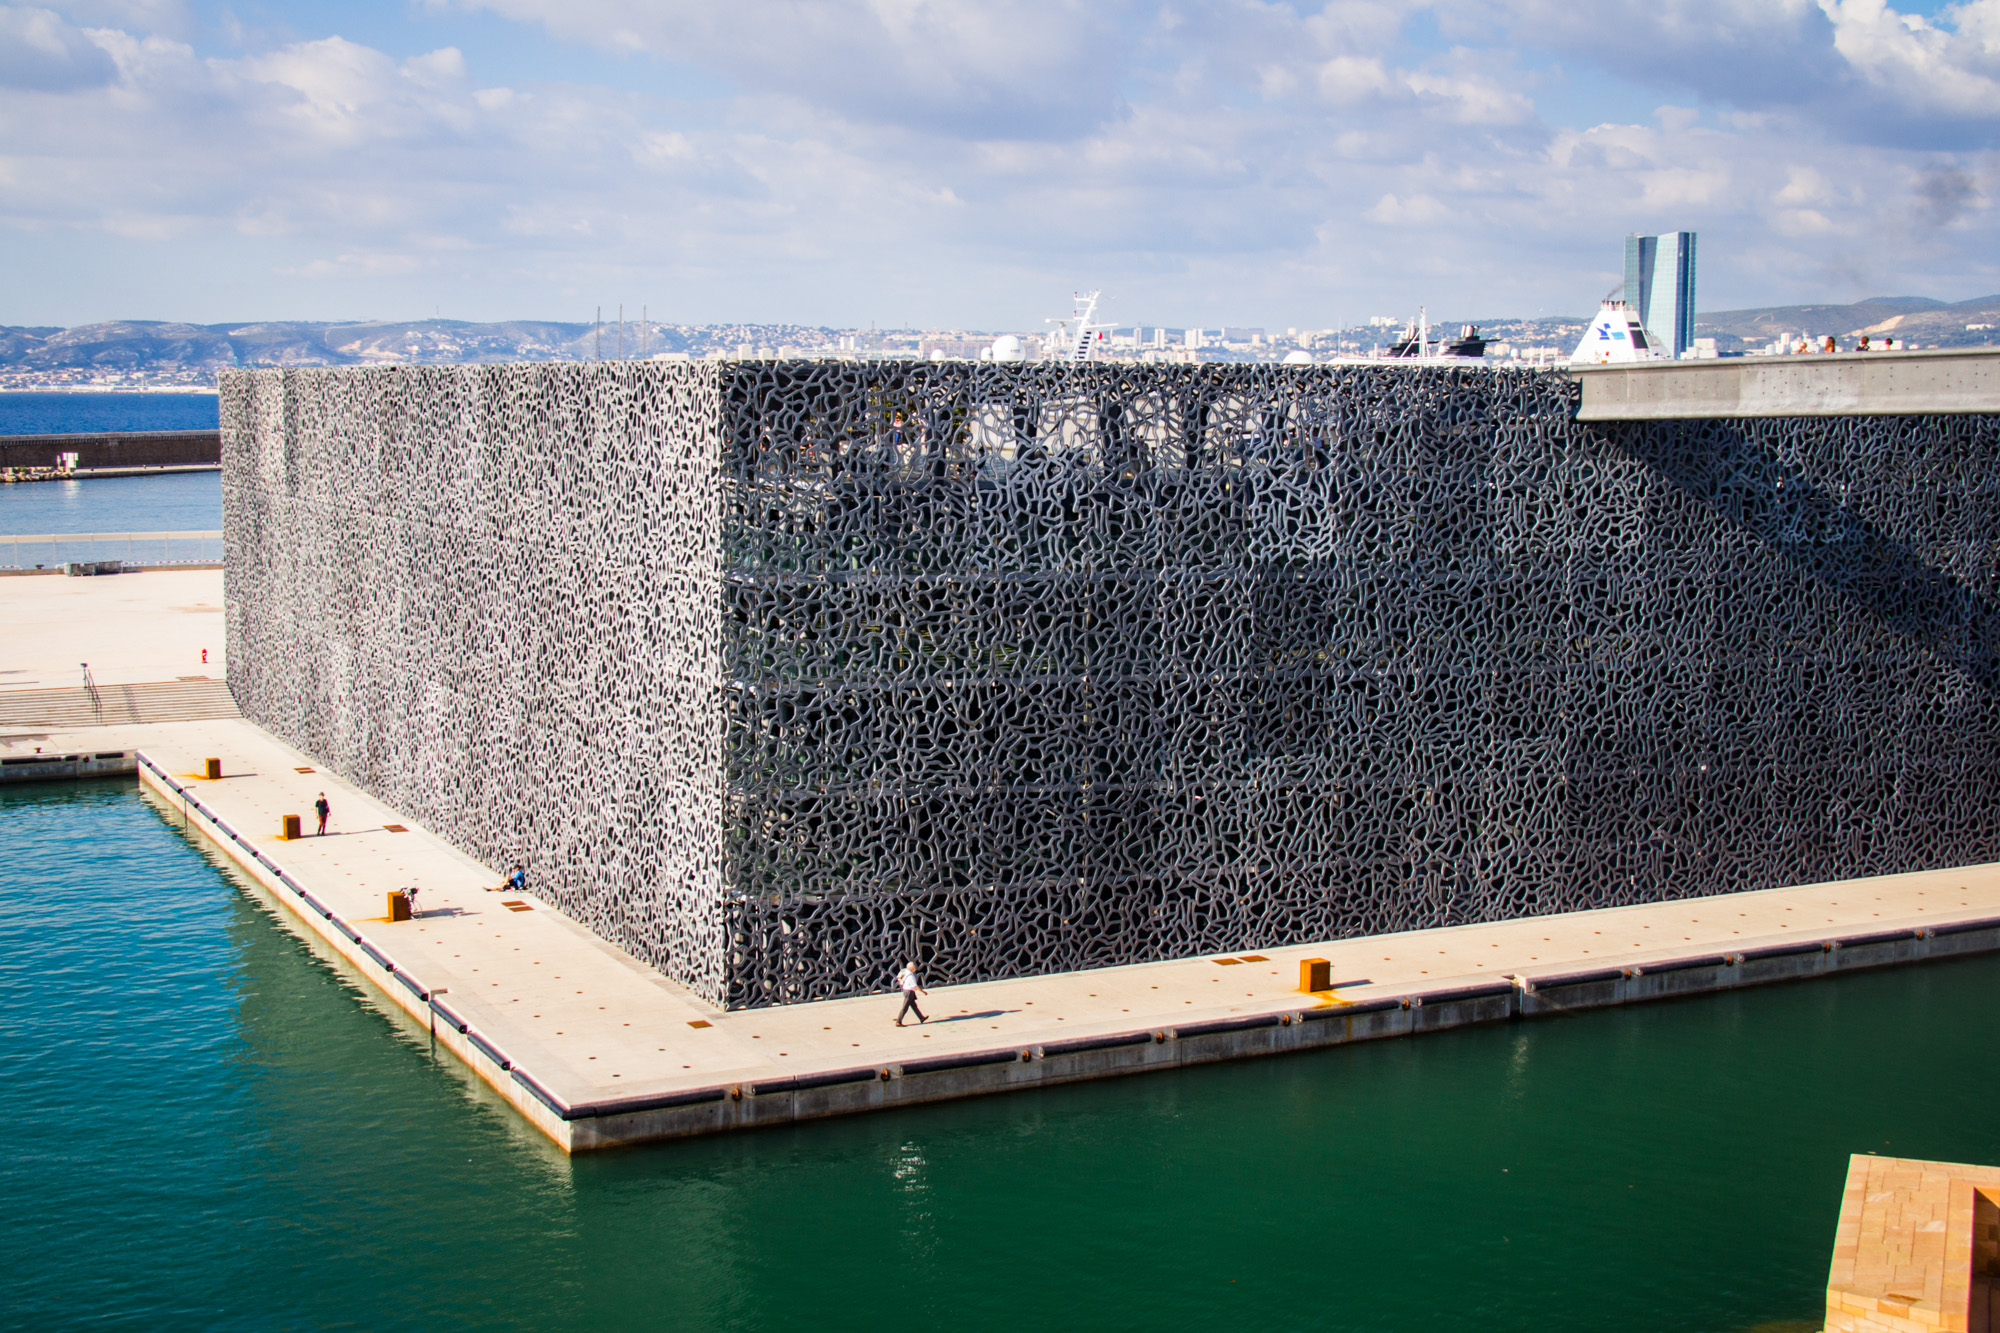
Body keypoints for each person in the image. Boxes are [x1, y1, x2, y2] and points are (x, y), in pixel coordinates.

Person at [893, 961, 928, 1026]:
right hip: (909, 992)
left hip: (906, 991)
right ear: (912, 968)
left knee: (914, 1006)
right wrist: (923, 992)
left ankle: (921, 1018)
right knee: (905, 1007)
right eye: (914, 967)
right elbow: (915, 986)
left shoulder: (904, 971)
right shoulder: (910, 976)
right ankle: (898, 1021)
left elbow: (898, 977)